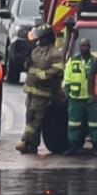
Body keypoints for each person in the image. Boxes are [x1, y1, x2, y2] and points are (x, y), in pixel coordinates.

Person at [17, 24, 65, 155]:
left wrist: (45, 75)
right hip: (31, 90)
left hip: (43, 92)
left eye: (41, 38)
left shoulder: (55, 53)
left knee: (35, 118)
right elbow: (30, 66)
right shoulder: (36, 50)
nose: (38, 40)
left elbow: (59, 69)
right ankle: (32, 145)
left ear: (47, 38)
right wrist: (26, 61)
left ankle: (25, 141)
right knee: (29, 116)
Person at [63, 38, 97, 154]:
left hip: (90, 98)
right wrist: (67, 93)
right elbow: (67, 77)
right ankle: (73, 146)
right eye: (83, 46)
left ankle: (96, 147)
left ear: (90, 47)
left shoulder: (95, 61)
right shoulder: (72, 61)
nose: (85, 48)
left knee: (94, 124)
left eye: (87, 46)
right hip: (75, 98)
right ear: (79, 47)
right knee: (73, 124)